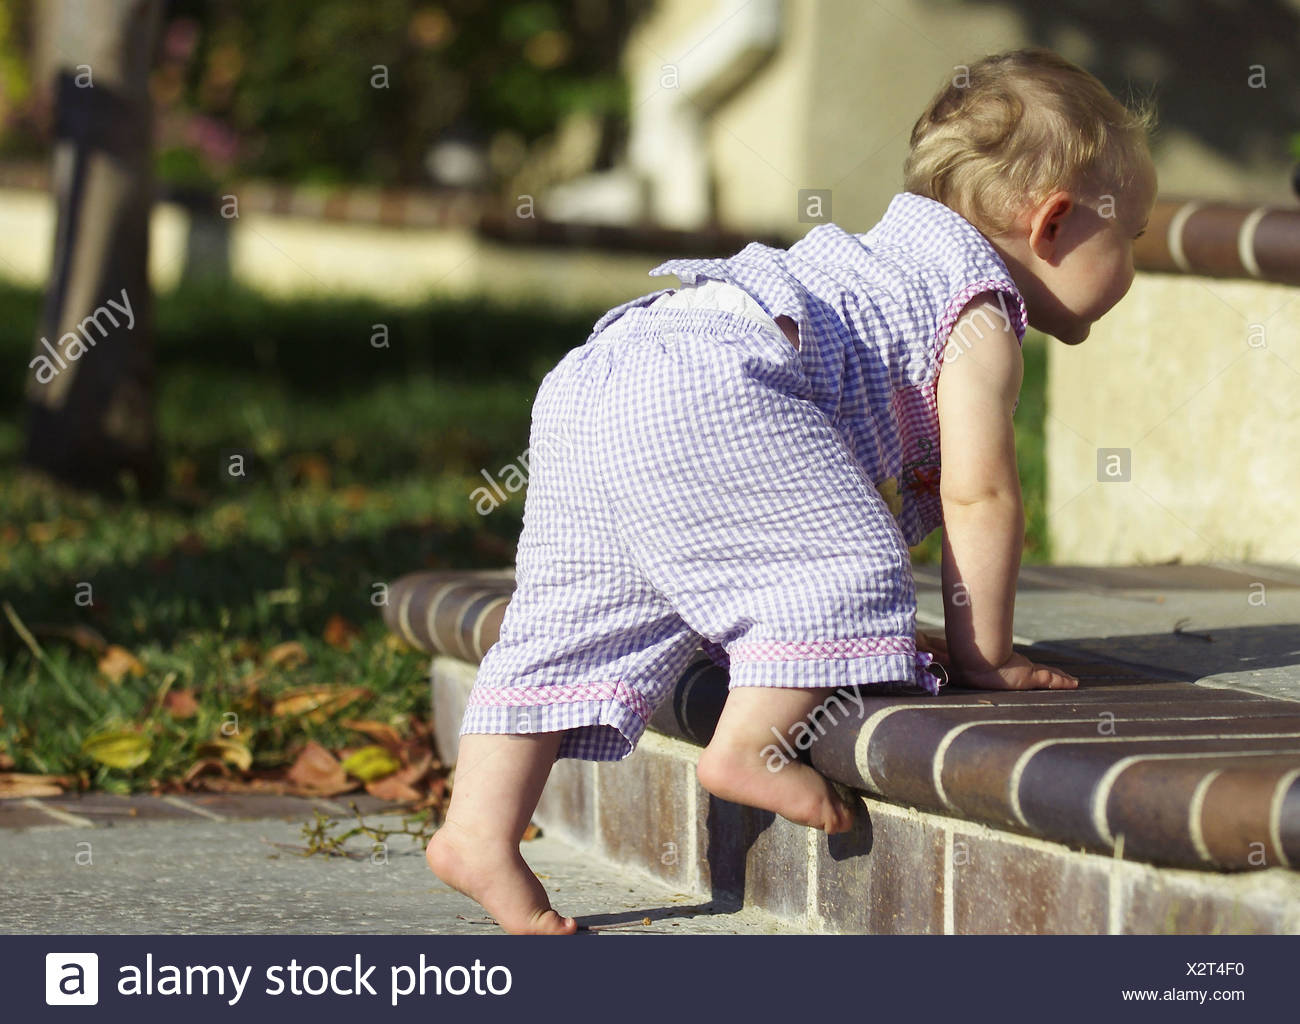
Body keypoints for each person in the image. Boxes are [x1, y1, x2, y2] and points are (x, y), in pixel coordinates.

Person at [426, 47, 1158, 934]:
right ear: (1053, 224)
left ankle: (477, 829)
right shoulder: (977, 307)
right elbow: (981, 496)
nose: (1136, 261)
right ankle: (749, 748)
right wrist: (986, 656)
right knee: (846, 566)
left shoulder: (891, 256)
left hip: (604, 369)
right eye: (1134, 237)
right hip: (714, 385)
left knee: (566, 620)